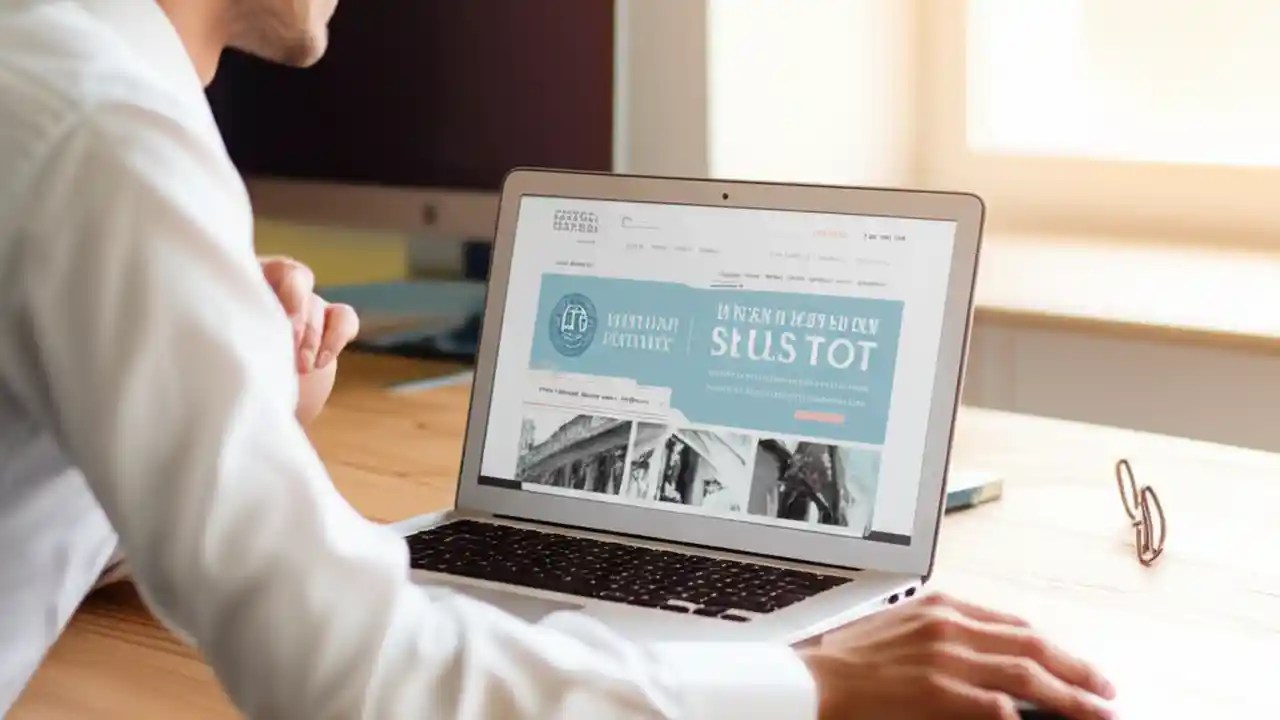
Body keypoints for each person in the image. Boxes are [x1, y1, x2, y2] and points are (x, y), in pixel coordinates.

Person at [0, 1, 1117, 718]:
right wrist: (809, 680)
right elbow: (347, 678)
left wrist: (213, 386)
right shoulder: (111, 133)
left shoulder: (44, 67)